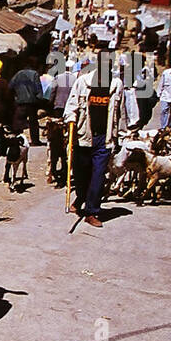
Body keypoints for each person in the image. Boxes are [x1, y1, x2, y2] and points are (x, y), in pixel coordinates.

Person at [63, 60, 117, 228]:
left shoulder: (116, 85)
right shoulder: (83, 82)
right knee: (81, 173)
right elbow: (71, 105)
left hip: (104, 138)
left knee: (99, 175)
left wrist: (121, 133)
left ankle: (92, 211)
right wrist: (71, 118)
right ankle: (81, 197)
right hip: (84, 136)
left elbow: (119, 110)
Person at [10, 63, 47, 145]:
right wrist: (40, 100)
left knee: (18, 120)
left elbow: (10, 86)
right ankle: (35, 141)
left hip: (20, 102)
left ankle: (18, 139)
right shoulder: (35, 74)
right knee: (33, 122)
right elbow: (38, 88)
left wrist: (15, 96)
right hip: (32, 102)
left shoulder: (18, 74)